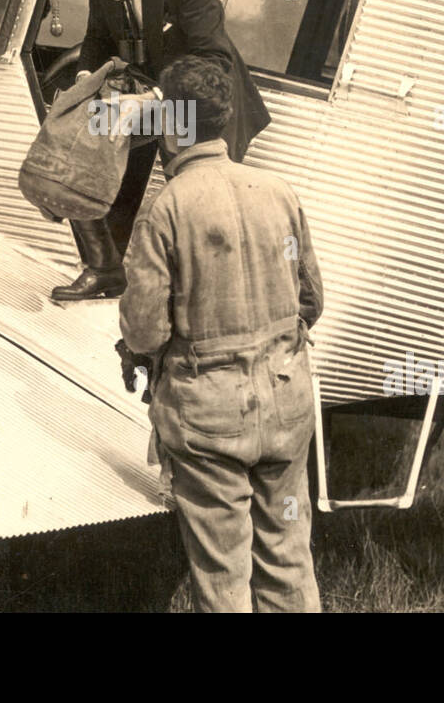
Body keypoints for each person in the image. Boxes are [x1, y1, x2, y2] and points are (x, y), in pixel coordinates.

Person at [117, 55, 324, 612]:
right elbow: (312, 300)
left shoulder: (165, 209)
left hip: (207, 414)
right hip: (287, 400)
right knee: (288, 560)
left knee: (222, 576)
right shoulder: (279, 191)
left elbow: (144, 329)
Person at [51, 0, 270, 302]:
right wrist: (85, 81)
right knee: (88, 149)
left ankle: (183, 302)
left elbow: (213, 59)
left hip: (199, 99)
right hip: (146, 92)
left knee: (192, 198)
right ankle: (106, 271)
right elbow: (98, 36)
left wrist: (151, 99)